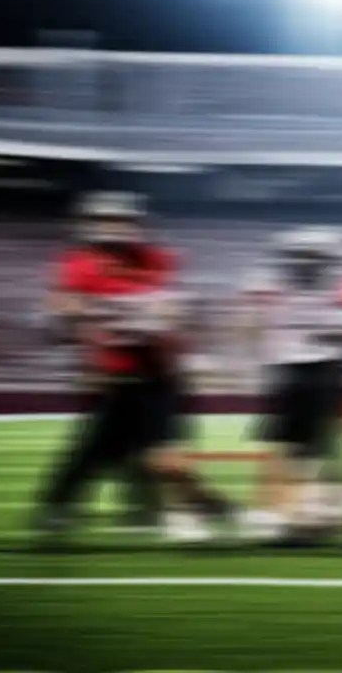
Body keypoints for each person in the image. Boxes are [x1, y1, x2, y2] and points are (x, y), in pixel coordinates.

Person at [35, 190, 233, 541]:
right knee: (95, 450)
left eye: (120, 221)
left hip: (161, 376)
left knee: (160, 457)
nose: (113, 229)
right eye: (105, 221)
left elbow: (170, 313)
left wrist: (157, 324)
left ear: (136, 225)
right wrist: (73, 326)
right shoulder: (78, 264)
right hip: (116, 377)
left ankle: (206, 507)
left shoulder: (157, 259)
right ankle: (57, 506)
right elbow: (63, 312)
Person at [243, 227, 342, 543]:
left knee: (313, 445)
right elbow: (254, 328)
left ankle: (306, 509)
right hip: (291, 369)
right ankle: (285, 510)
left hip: (322, 370)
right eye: (302, 256)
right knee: (288, 445)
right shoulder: (271, 286)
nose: (308, 263)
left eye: (314, 256)